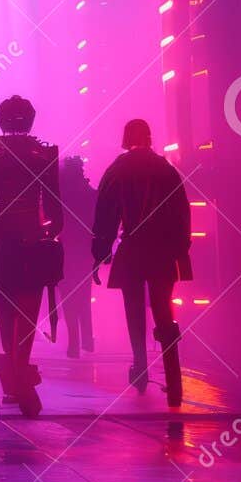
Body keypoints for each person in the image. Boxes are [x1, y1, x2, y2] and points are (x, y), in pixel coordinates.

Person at [0, 95, 63, 417]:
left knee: (5, 312)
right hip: (32, 239)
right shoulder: (45, 152)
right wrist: (51, 232)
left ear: (1, 121)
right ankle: (20, 375)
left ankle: (16, 376)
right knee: (28, 311)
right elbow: (53, 205)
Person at [90, 118, 191, 407]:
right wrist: (180, 248)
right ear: (149, 137)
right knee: (163, 308)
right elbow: (182, 212)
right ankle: (174, 377)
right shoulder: (166, 170)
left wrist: (101, 252)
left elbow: (105, 216)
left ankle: (140, 366)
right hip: (162, 250)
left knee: (134, 311)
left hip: (133, 248)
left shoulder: (117, 170)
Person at [58, 153, 98, 356]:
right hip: (86, 250)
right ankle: (87, 338)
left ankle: (74, 340)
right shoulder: (92, 193)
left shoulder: (60, 195)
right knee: (84, 293)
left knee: (68, 296)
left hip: (65, 250)